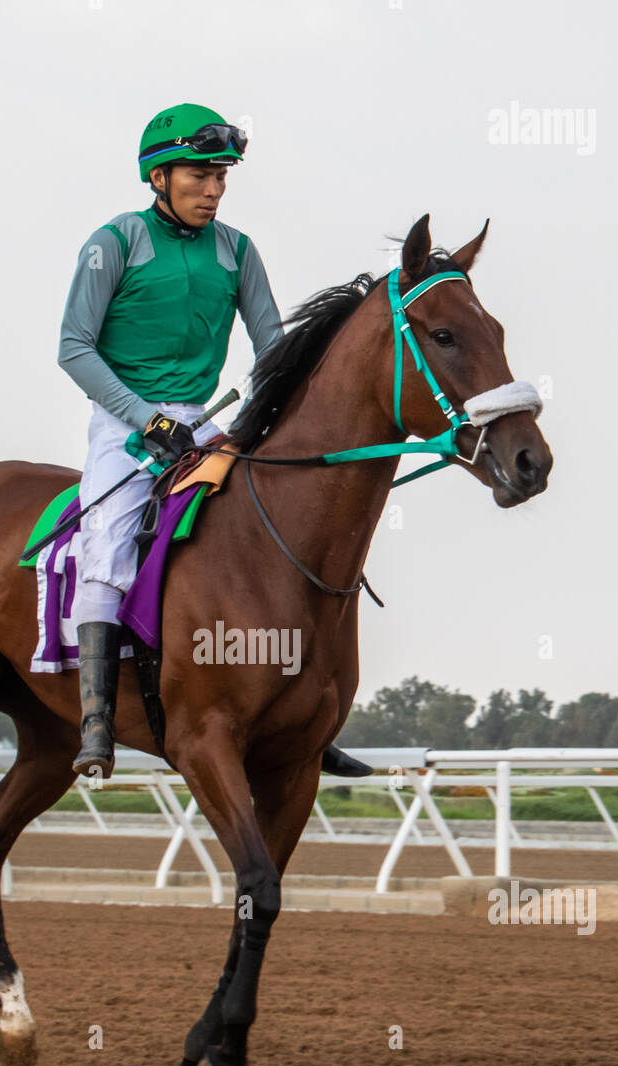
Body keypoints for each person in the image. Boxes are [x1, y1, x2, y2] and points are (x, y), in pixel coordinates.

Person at [57, 102, 371, 782]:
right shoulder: (113, 242)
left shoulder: (237, 250)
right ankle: (97, 721)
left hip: (203, 422)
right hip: (123, 425)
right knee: (108, 545)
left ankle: (306, 719)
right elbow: (73, 349)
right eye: (200, 176)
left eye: (222, 177)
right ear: (158, 177)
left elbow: (272, 353)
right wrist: (145, 419)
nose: (214, 189)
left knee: (278, 524)